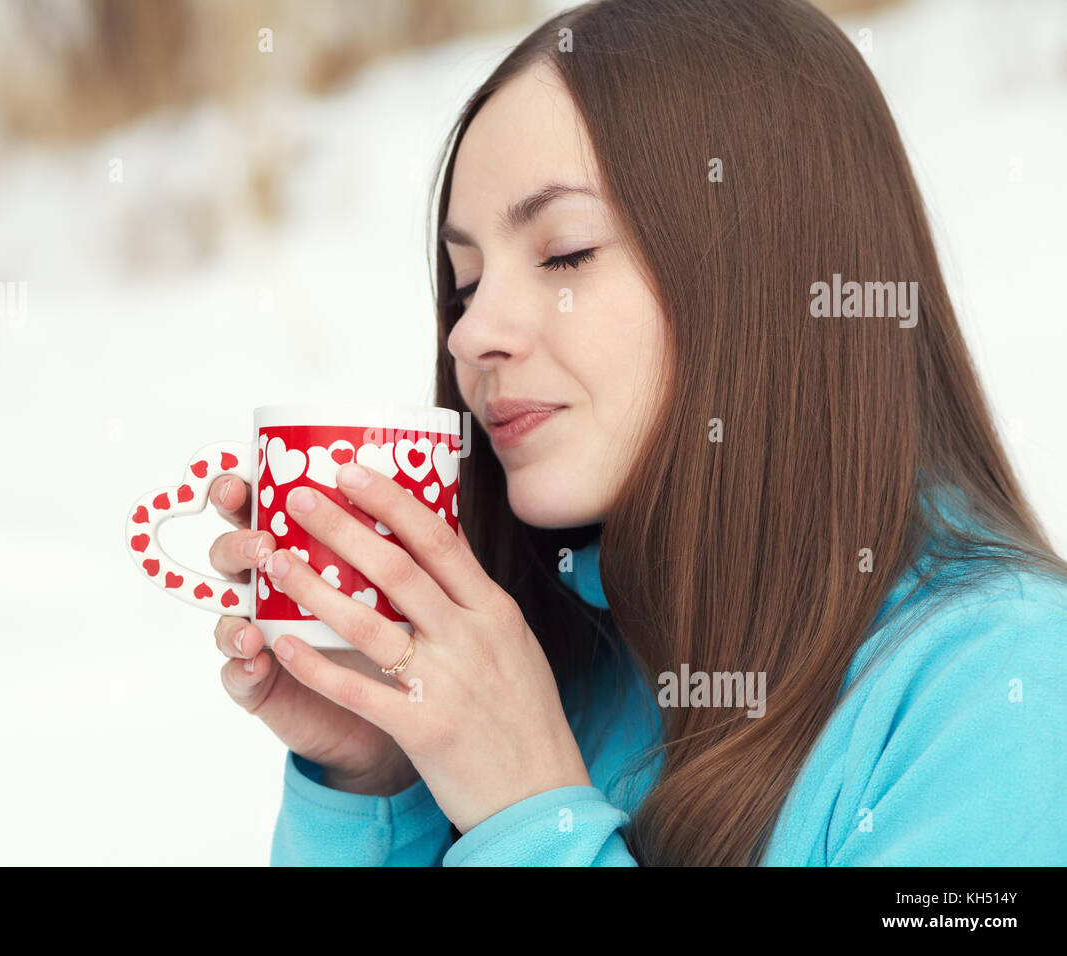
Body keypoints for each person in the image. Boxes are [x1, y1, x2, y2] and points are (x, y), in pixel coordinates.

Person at [207, 0, 1067, 865]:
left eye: (565, 254)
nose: (469, 335)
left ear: (767, 265)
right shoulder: (563, 661)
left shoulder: (1010, 689)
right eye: (464, 284)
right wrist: (383, 791)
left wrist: (531, 815)